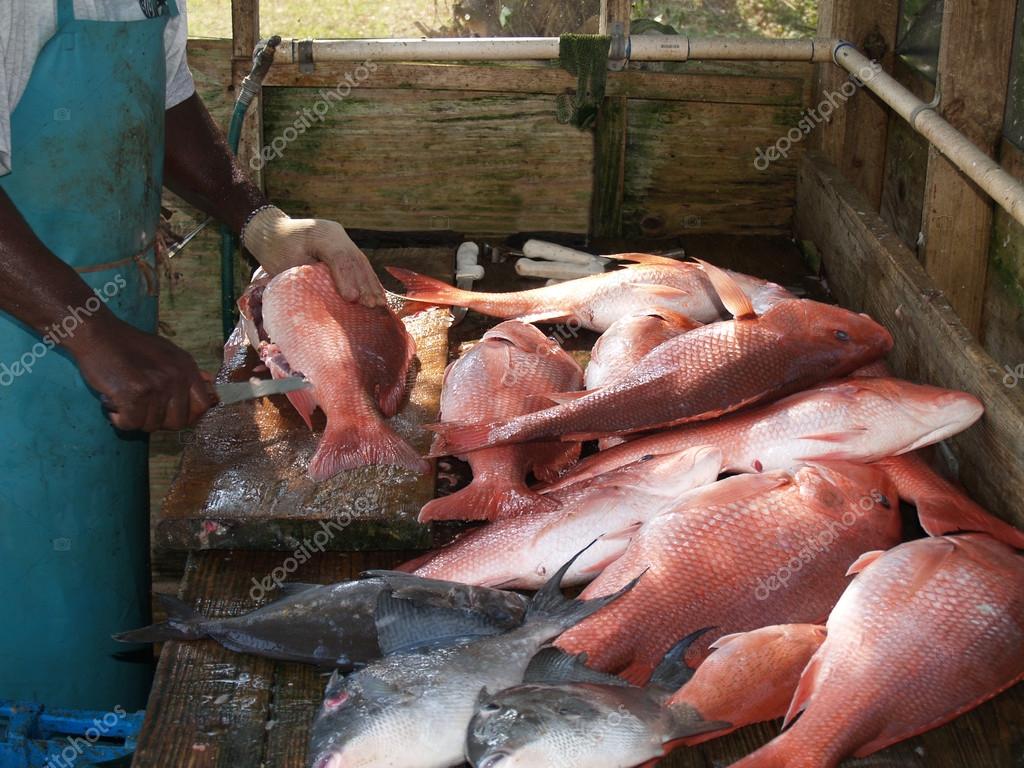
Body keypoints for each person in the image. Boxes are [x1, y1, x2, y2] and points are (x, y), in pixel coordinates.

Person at [0, 0, 383, 710]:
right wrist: (94, 335)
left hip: (109, 319)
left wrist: (263, 223)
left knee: (92, 583)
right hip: (22, 334)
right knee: (21, 614)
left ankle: (105, 726)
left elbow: (165, 100)